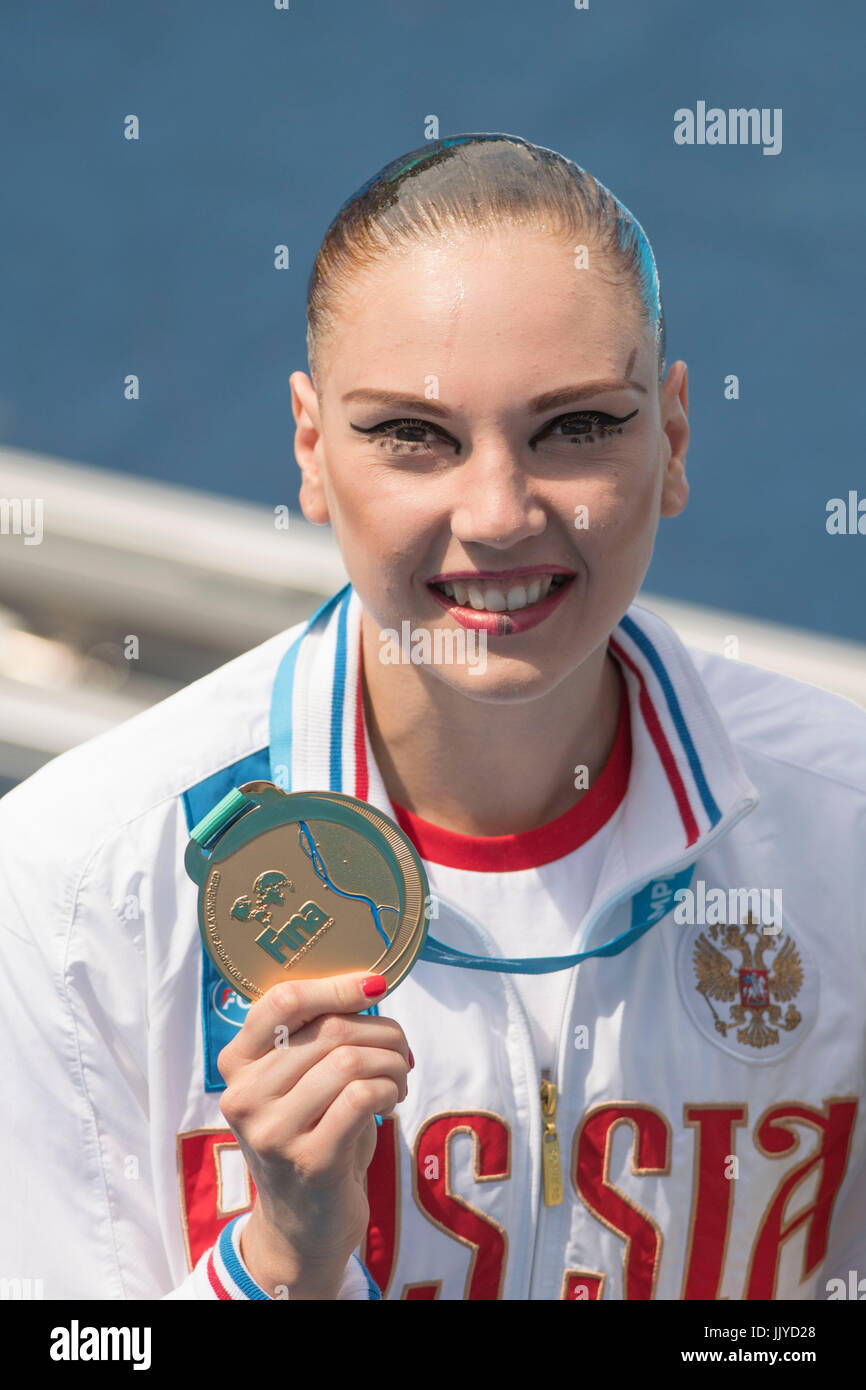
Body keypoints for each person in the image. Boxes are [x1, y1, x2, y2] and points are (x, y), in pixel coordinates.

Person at [1, 133, 864, 1302]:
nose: (498, 513)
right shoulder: (71, 891)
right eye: (413, 435)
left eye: (575, 427)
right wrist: (278, 1270)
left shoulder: (843, 835)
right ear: (311, 450)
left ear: (669, 436)